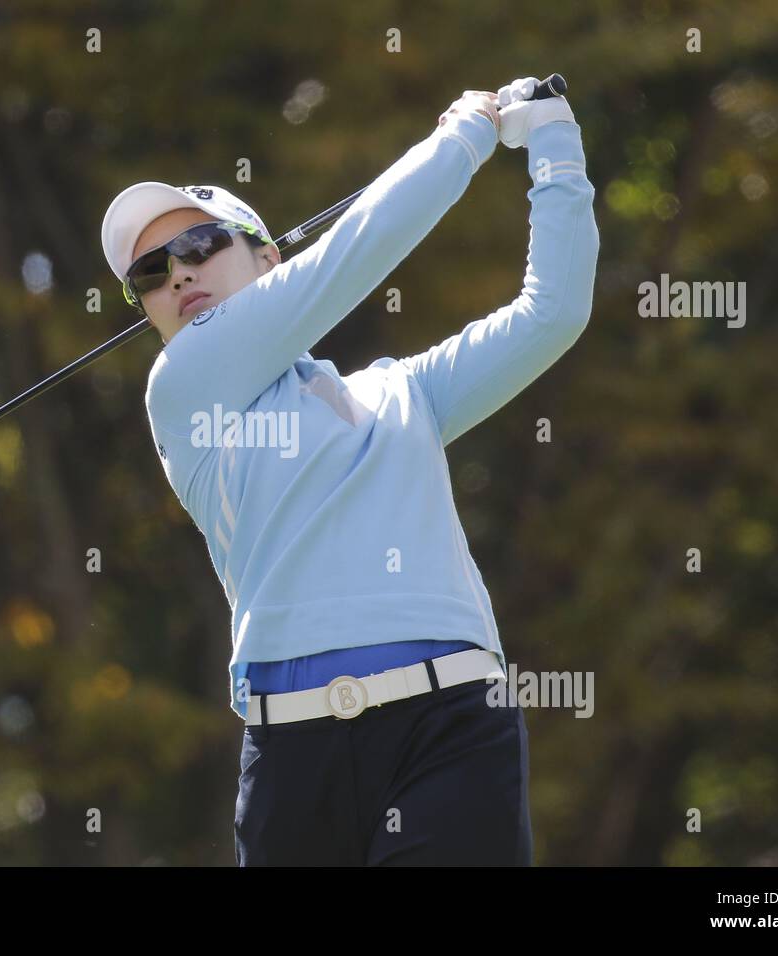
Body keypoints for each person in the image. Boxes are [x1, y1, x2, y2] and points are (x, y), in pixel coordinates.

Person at [99, 77, 599, 865]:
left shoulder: (404, 392)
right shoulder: (183, 391)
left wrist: (555, 147)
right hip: (293, 751)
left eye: (198, 248)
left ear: (266, 257)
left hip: (453, 730)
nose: (177, 277)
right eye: (150, 275)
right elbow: (355, 255)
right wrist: (464, 136)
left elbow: (553, 313)